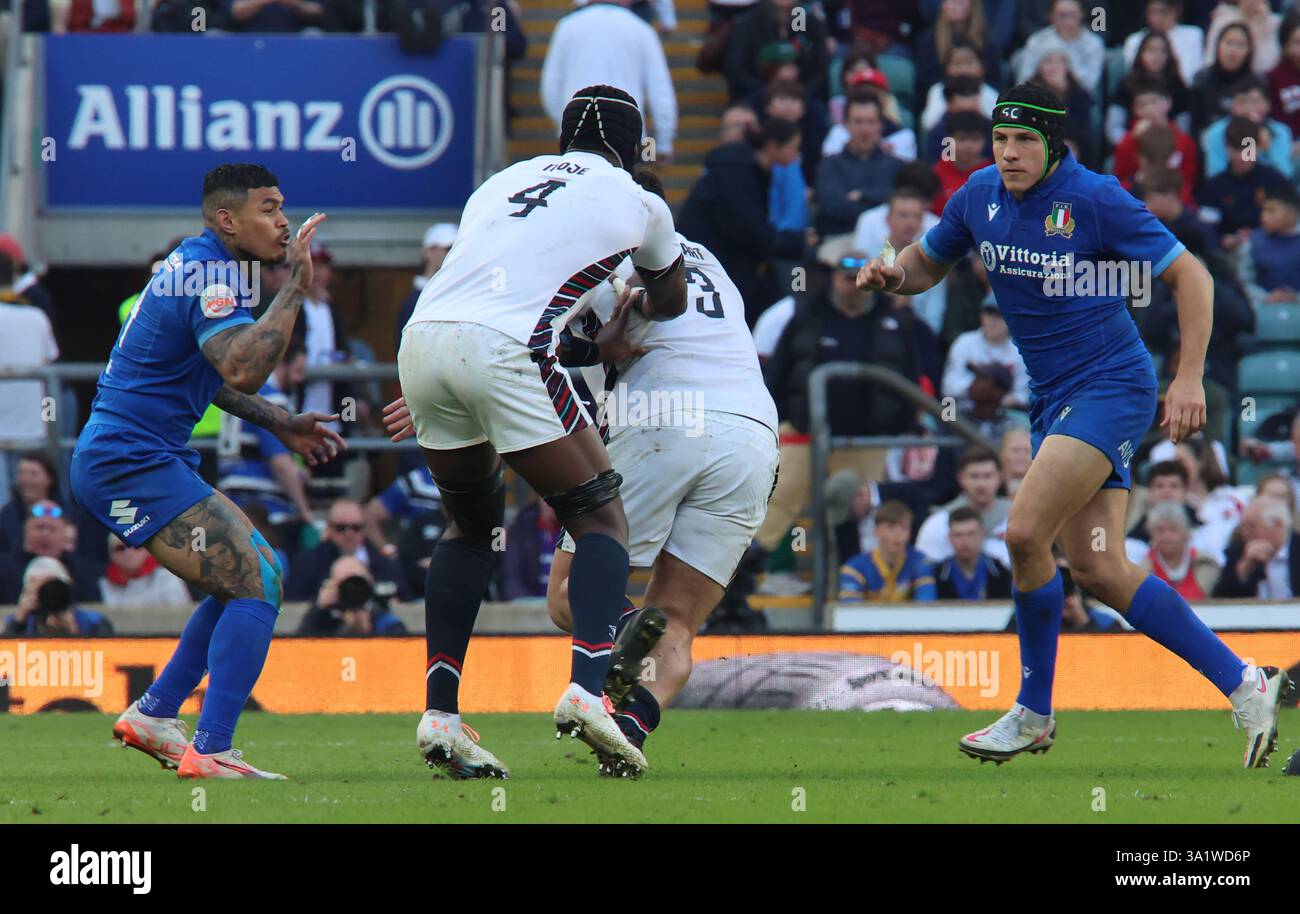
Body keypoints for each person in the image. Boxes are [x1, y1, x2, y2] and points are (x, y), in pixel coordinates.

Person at [857, 82, 1292, 769]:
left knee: (1024, 531)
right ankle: (1246, 683)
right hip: (1053, 398)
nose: (1009, 153)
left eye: (1024, 140)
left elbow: (1195, 277)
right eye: (1000, 139)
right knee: (1098, 566)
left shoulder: (1093, 198)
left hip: (1112, 388)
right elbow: (927, 264)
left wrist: (1187, 376)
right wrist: (891, 275)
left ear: (1053, 143)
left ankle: (1033, 712)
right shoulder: (978, 195)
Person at [393, 86, 686, 780]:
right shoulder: (640, 199)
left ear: (562, 138)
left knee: (468, 528)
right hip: (505, 350)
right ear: (632, 146)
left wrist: (587, 347)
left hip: (421, 341)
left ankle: (441, 712)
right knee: (599, 516)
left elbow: (499, 284)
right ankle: (588, 690)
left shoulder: (499, 184)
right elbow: (669, 300)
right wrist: (632, 303)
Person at [72, 164, 345, 780]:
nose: (282, 222)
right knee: (260, 580)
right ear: (227, 219)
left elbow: (214, 376)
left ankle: (156, 714)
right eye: (269, 209)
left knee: (247, 576)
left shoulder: (194, 265)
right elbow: (242, 368)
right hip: (129, 460)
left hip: (131, 457)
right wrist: (297, 286)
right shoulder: (212, 273)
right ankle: (212, 748)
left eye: (283, 208)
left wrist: (277, 421)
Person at [540, 0, 677, 165]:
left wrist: (565, 127)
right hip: (626, 136)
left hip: (577, 136)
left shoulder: (566, 27)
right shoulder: (642, 29)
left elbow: (550, 87)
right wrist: (663, 144)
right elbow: (660, 91)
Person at [285, 497, 411, 604]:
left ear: (364, 529)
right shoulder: (306, 563)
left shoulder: (385, 564)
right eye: (341, 528)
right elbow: (293, 605)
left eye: (356, 527)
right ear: (329, 528)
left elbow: (405, 600)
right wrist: (320, 604)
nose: (348, 533)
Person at [814, 93, 903, 239]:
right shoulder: (830, 165)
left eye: (871, 122)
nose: (864, 129)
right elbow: (834, 208)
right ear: (846, 124)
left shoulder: (896, 165)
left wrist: (862, 194)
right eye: (858, 121)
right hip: (842, 238)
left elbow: (903, 205)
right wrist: (883, 202)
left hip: (887, 241)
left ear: (880, 125)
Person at [1198, 116, 1290, 249]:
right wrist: (1224, 240)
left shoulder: (1275, 180)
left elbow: (1290, 219)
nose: (1242, 156)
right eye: (1236, 149)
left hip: (1272, 248)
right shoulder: (1213, 186)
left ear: (1259, 147)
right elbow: (1207, 228)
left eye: (1248, 149)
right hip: (1229, 255)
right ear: (1226, 147)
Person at [915, 445, 1010, 565]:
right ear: (960, 479)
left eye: (987, 476)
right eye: (974, 476)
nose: (981, 484)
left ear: (1000, 478)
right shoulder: (940, 522)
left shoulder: (1016, 517)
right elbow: (926, 570)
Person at [838, 500, 936, 602]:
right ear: (876, 531)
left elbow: (926, 605)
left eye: (904, 528)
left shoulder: (920, 562)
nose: (898, 534)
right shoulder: (855, 567)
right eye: (891, 527)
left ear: (910, 533)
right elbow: (851, 611)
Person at [942, 300, 1030, 409]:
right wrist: (977, 389)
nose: (993, 320)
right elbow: (948, 387)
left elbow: (1024, 394)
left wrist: (1000, 397)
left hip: (1002, 413)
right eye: (989, 313)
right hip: (964, 407)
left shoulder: (1019, 352)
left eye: (999, 315)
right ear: (982, 316)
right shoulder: (964, 342)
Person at [297, 555, 408, 636]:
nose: (353, 590)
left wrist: (370, 633)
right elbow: (301, 652)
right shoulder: (323, 619)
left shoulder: (384, 618)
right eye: (346, 583)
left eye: (357, 581)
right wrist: (319, 609)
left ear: (369, 582)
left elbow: (399, 655)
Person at [1212, 496, 1297, 599]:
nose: (1244, 533)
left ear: (1277, 525)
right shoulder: (1238, 552)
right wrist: (1244, 569)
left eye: (1251, 526)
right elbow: (1218, 600)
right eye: (1243, 527)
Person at [2, 556, 112, 636]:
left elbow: (106, 660)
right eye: (38, 591)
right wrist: (18, 622)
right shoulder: (17, 622)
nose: (47, 596)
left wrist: (76, 634)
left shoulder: (94, 622)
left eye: (51, 589)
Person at [394, 223, 457, 353]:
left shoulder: (459, 295)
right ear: (429, 251)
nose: (454, 254)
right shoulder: (414, 302)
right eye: (449, 248)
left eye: (457, 248)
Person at [1139, 500, 1221, 600]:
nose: (1166, 536)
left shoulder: (1206, 563)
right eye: (1160, 530)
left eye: (1173, 530)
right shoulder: (1142, 570)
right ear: (1151, 533)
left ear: (1186, 533)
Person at [1237, 182, 1300, 301]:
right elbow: (1244, 281)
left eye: (1271, 210)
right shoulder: (1252, 241)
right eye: (1263, 210)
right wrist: (1266, 297)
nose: (1263, 216)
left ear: (1292, 214)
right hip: (1262, 307)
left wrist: (1295, 297)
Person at [933, 505, 1012, 599]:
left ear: (982, 534)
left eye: (971, 534)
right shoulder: (938, 573)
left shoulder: (999, 571)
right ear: (949, 537)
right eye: (958, 535)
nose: (965, 541)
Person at [1121, 0, 1204, 86]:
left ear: (1175, 11)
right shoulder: (1134, 40)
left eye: (1163, 12)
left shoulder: (1193, 34)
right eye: (1153, 12)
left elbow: (1195, 73)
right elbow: (1133, 75)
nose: (1157, 18)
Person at [100, 535, 192, 608]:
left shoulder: (167, 577)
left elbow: (180, 616)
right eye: (120, 548)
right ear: (111, 554)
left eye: (136, 547)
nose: (129, 552)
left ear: (147, 550)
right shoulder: (102, 584)